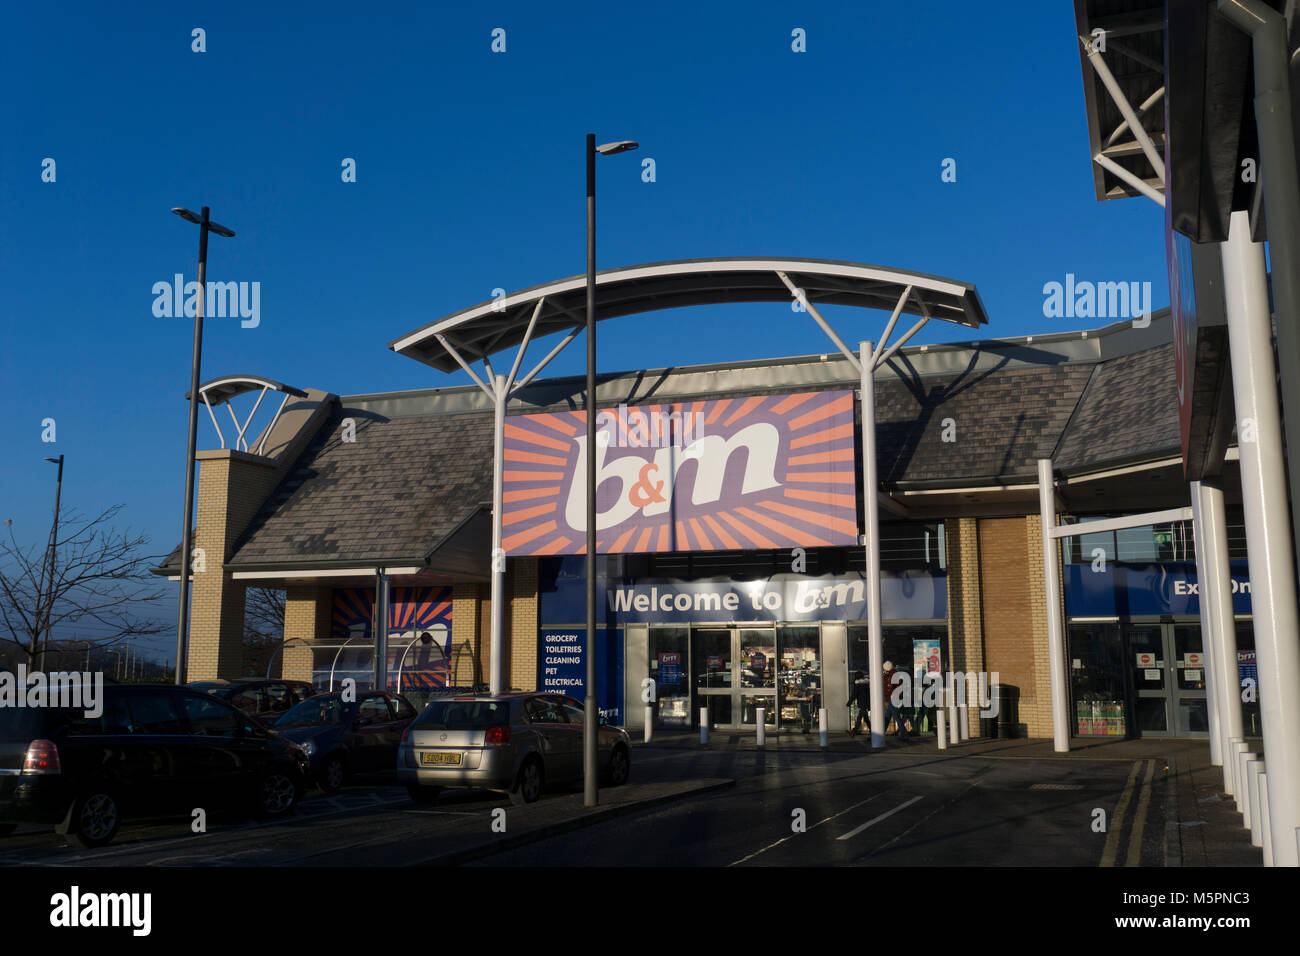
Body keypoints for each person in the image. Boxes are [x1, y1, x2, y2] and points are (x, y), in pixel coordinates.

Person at [882, 661, 911, 738]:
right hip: (895, 697)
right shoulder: (895, 674)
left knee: (896, 717)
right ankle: (881, 732)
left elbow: (889, 688)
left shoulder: (889, 676)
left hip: (893, 698)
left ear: (886, 669)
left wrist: (885, 695)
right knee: (888, 716)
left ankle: (904, 734)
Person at [846, 669, 871, 736]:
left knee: (859, 718)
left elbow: (854, 695)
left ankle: (854, 731)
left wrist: (849, 703)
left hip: (862, 703)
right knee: (866, 719)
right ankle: (872, 732)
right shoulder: (867, 684)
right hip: (867, 703)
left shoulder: (857, 684)